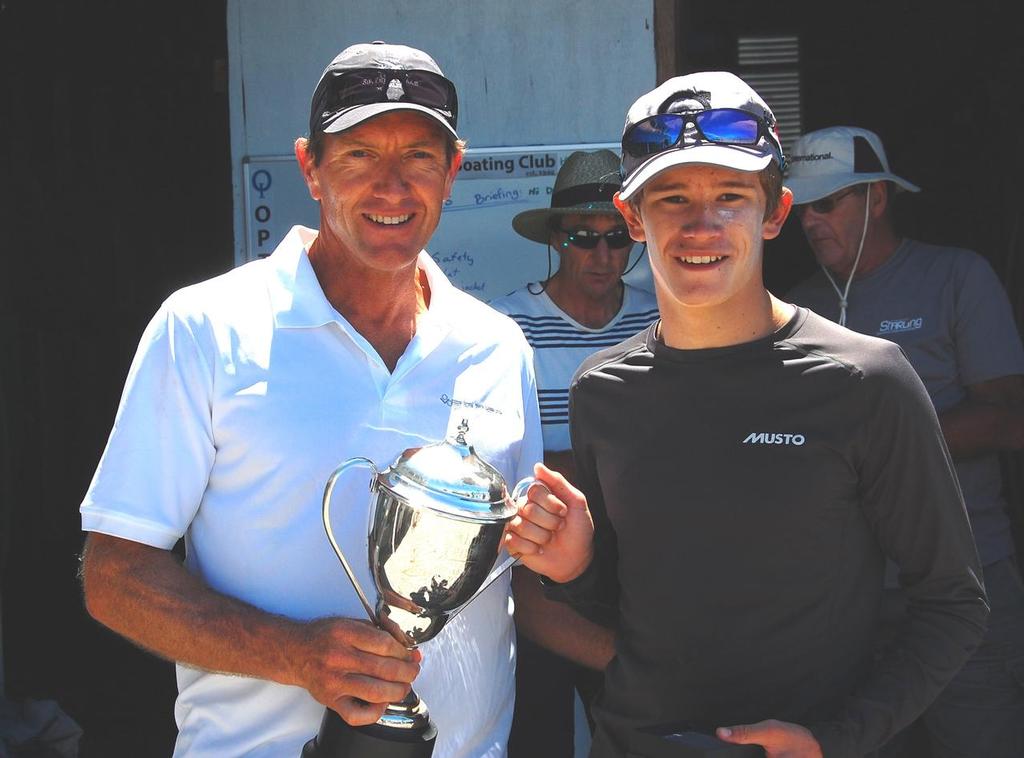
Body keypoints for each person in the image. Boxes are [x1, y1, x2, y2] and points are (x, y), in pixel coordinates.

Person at [78, 41, 542, 758]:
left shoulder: (497, 346)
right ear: (310, 169)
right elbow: (114, 577)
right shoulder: (205, 328)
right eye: (358, 155)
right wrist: (292, 653)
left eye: (418, 156)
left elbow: (518, 570)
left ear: (452, 171)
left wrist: (567, 548)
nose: (391, 186)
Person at [506, 71, 989, 758]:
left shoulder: (865, 381)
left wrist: (834, 739)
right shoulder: (602, 390)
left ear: (775, 212)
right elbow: (627, 602)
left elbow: (954, 605)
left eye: (730, 196)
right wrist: (577, 566)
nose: (702, 225)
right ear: (634, 216)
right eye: (672, 198)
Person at [784, 125, 1024, 758]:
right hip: (844, 596)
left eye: (827, 202)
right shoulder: (792, 310)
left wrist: (877, 454)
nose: (811, 221)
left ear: (878, 198)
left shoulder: (955, 278)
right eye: (801, 206)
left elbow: (1006, 416)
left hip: (964, 579)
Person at [490, 150, 659, 756]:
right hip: (533, 565)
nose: (603, 255)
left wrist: (567, 466)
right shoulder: (504, 327)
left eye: (618, 238)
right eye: (584, 237)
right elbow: (502, 465)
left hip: (638, 568)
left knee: (638, 726)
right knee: (539, 732)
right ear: (557, 239)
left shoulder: (662, 317)